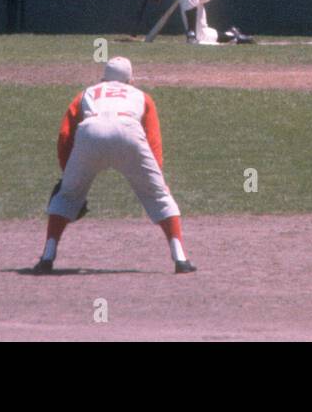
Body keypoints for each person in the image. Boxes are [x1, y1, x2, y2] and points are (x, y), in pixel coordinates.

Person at [33, 57, 197, 275]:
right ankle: (181, 258)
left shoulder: (86, 93)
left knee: (66, 196)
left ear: (103, 78)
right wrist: (157, 178)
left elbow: (65, 134)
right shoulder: (141, 96)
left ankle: (47, 257)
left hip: (91, 130)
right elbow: (153, 139)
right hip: (128, 130)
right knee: (159, 196)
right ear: (130, 80)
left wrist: (68, 176)